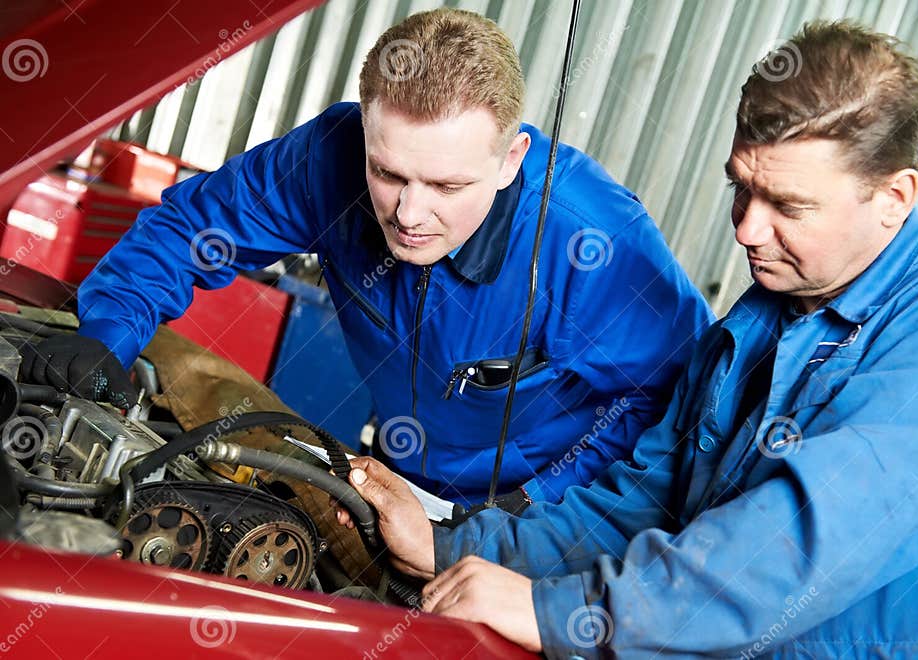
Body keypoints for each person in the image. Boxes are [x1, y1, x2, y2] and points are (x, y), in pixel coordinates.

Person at [337, 20, 918, 656]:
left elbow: (797, 544)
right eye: (742, 188)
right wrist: (455, 547)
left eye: (788, 206)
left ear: (894, 196)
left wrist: (564, 613)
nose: (746, 231)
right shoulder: (758, 323)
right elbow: (642, 502)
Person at [18, 8, 711, 508]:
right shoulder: (331, 160)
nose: (409, 215)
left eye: (446, 186)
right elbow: (185, 231)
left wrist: (533, 509)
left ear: (511, 160)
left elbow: (677, 403)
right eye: (389, 173)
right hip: (402, 483)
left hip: (542, 517)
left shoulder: (592, 244)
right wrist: (107, 335)